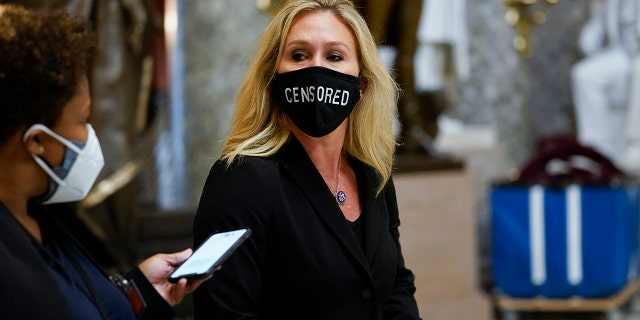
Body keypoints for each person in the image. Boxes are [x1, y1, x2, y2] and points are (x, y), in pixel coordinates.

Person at [192, 0, 422, 319]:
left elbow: (395, 284)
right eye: (299, 55)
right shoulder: (241, 179)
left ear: (362, 85)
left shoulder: (373, 175)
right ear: (274, 78)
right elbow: (226, 313)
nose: (317, 68)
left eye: (335, 56)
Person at [0, 5, 206, 319]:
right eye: (83, 120)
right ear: (37, 142)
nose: (89, 135)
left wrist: (138, 291)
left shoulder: (40, 217)